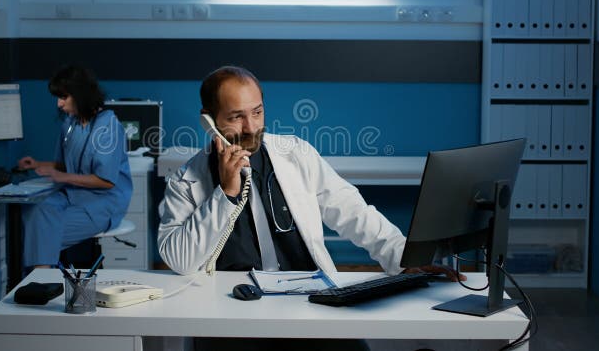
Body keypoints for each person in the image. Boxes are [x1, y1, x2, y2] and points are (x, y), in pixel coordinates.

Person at [158, 66, 460, 351]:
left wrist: (404, 258)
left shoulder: (296, 154)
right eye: (236, 117)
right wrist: (225, 193)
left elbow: (354, 212)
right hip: (230, 310)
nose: (251, 127)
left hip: (307, 303)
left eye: (257, 112)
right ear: (208, 120)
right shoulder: (186, 180)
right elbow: (179, 259)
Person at [18, 65, 132, 270]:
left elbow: (105, 181)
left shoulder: (108, 127)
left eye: (64, 97)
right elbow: (67, 164)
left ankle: (39, 282)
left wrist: (60, 177)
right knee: (36, 210)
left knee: (40, 234)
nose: (59, 104)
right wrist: (38, 164)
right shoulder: (71, 124)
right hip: (73, 195)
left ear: (81, 95)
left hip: (101, 203)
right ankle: (38, 279)